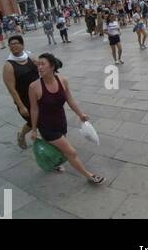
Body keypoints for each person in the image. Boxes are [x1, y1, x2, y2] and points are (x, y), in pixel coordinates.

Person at [26, 53, 104, 184]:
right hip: (46, 126)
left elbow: (70, 99)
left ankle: (54, 163)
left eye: (42, 64)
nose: (39, 67)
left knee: (59, 148)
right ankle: (89, 176)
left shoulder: (62, 81)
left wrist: (81, 114)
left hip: (61, 121)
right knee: (71, 152)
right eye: (38, 64)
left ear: (52, 66)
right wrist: (34, 129)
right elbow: (34, 109)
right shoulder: (34, 87)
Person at [1, 35, 39, 150]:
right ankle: (21, 135)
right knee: (33, 121)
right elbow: (11, 88)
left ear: (22, 45)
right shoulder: (9, 66)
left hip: (37, 95)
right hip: (24, 99)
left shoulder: (30, 58)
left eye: (16, 43)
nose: (13, 46)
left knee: (38, 120)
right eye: (11, 44)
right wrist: (21, 106)